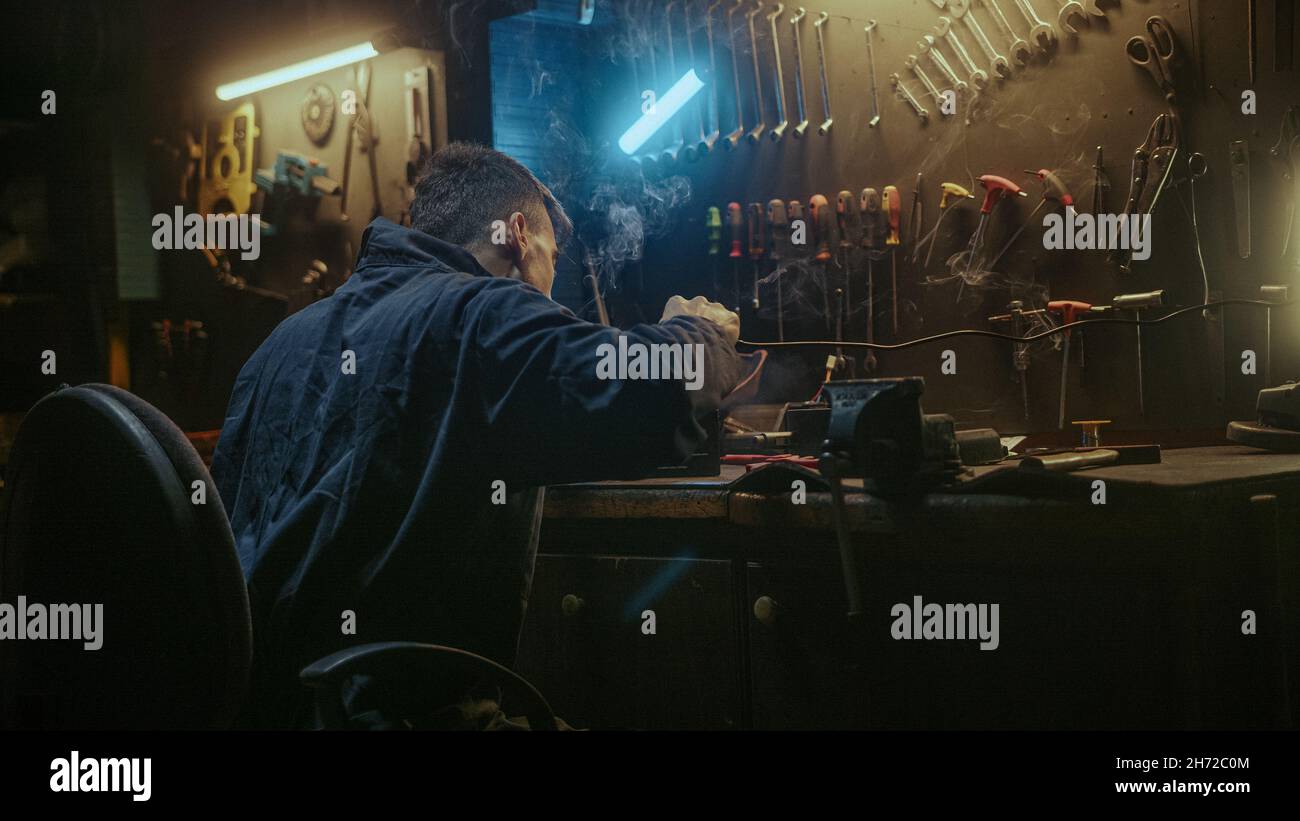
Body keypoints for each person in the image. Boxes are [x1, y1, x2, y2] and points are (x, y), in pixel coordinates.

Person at [211, 142, 743, 728]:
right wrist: (701, 332)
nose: (547, 290)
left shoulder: (276, 347)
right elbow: (653, 393)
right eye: (551, 260)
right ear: (516, 234)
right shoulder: (480, 313)